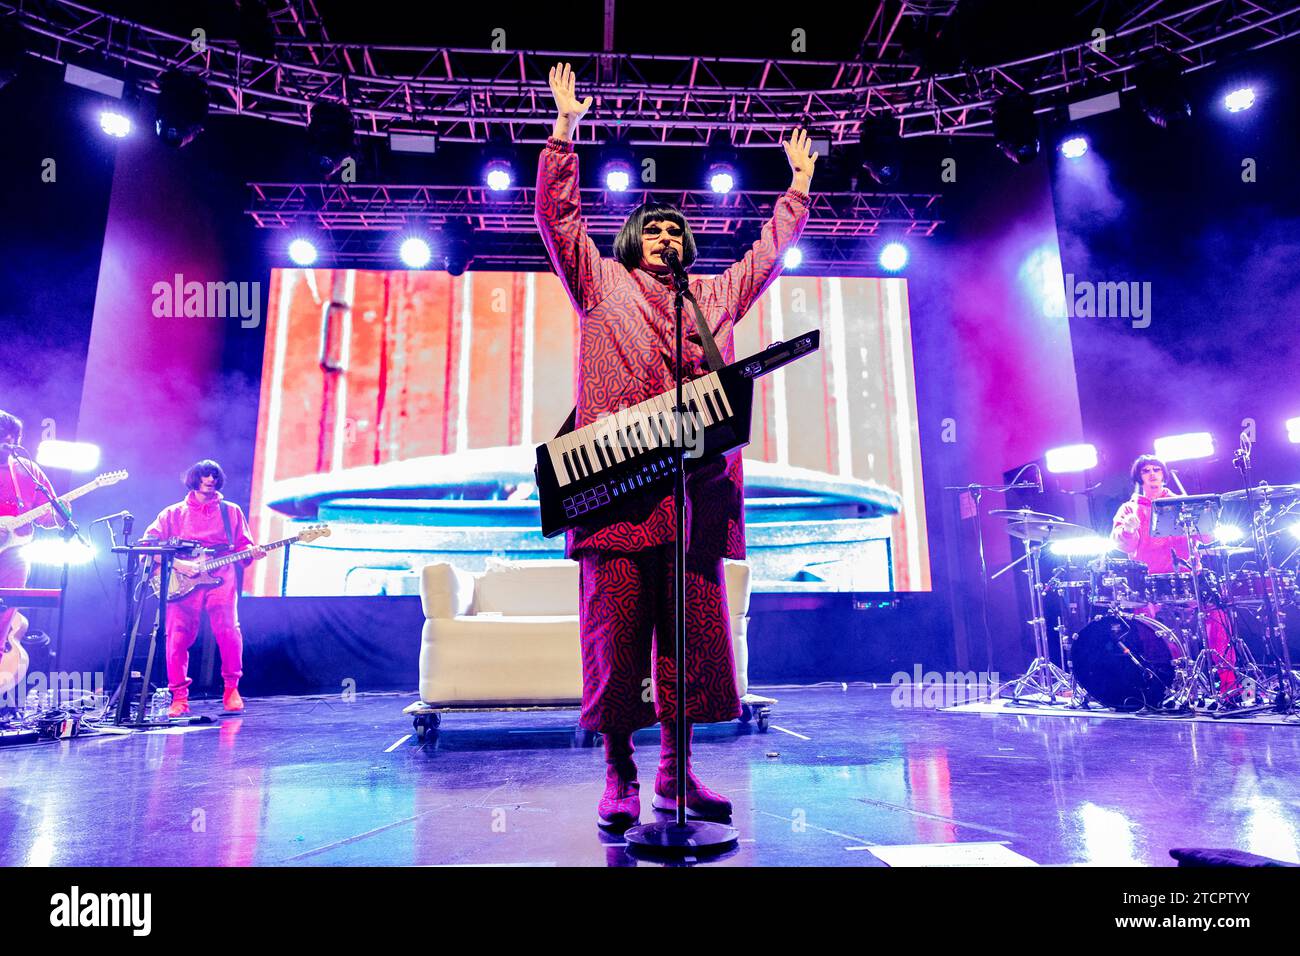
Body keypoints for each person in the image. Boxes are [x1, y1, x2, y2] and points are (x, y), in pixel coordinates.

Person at [536, 63, 815, 828]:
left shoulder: (710, 294)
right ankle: (620, 774)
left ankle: (677, 775)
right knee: (616, 639)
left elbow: (763, 258)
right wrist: (565, 133)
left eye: (675, 231)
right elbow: (558, 220)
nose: (665, 237)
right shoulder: (599, 283)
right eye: (653, 229)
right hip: (617, 492)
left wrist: (797, 188)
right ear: (631, 240)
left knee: (692, 643)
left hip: (693, 495)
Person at [141, 460, 264, 717]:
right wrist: (180, 565)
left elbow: (243, 548)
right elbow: (148, 546)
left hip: (222, 576)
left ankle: (232, 689)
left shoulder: (231, 512)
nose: (209, 480)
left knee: (229, 631)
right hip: (183, 579)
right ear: (194, 479)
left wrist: (252, 552)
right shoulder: (172, 513)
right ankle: (179, 697)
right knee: (176, 636)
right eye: (204, 476)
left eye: (214, 476)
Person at [1111, 454, 1236, 692]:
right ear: (1140, 476)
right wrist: (1128, 530)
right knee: (1156, 637)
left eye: (1156, 469)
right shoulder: (1129, 509)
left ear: (1163, 474)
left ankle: (1229, 684)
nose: (1152, 473)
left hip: (1189, 579)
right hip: (1149, 583)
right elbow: (1124, 546)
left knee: (1219, 619)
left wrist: (1208, 519)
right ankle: (1169, 686)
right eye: (1146, 470)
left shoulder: (1183, 503)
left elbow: (1207, 537)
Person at [0, 410, 61, 588]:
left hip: (15, 555)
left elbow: (47, 515)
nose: (9, 440)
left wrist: (59, 516)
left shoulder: (28, 470)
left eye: (12, 436)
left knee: (8, 608)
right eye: (4, 435)